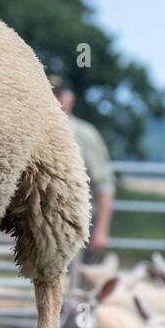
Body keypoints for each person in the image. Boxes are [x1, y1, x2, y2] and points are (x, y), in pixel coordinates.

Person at [50, 77, 115, 259]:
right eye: (50, 93)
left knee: (81, 282)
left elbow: (104, 186)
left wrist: (101, 230)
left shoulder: (86, 135)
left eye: (59, 94)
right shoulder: (34, 131)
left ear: (71, 98)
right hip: (42, 225)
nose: (54, 98)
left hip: (79, 224)